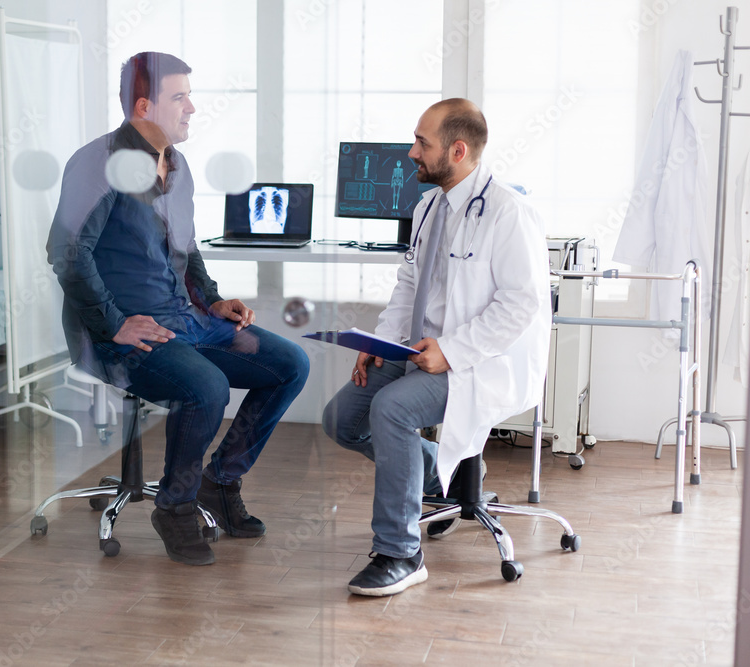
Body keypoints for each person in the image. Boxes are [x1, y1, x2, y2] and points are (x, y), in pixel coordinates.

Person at [47, 52, 309, 567]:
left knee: (289, 365)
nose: (192, 106)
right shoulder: (97, 164)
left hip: (185, 320)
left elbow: (185, 249)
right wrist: (114, 323)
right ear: (145, 106)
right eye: (180, 97)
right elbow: (66, 253)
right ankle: (175, 506)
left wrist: (212, 299)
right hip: (124, 333)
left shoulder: (178, 165)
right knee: (206, 388)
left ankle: (220, 483)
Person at [322, 98, 550, 596]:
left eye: (422, 143)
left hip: (479, 361)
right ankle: (438, 474)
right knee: (341, 420)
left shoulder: (510, 213)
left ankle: (401, 553)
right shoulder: (429, 206)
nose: (410, 153)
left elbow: (521, 305)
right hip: (416, 349)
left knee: (392, 410)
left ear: (459, 150)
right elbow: (410, 284)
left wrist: (452, 351)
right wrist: (379, 342)